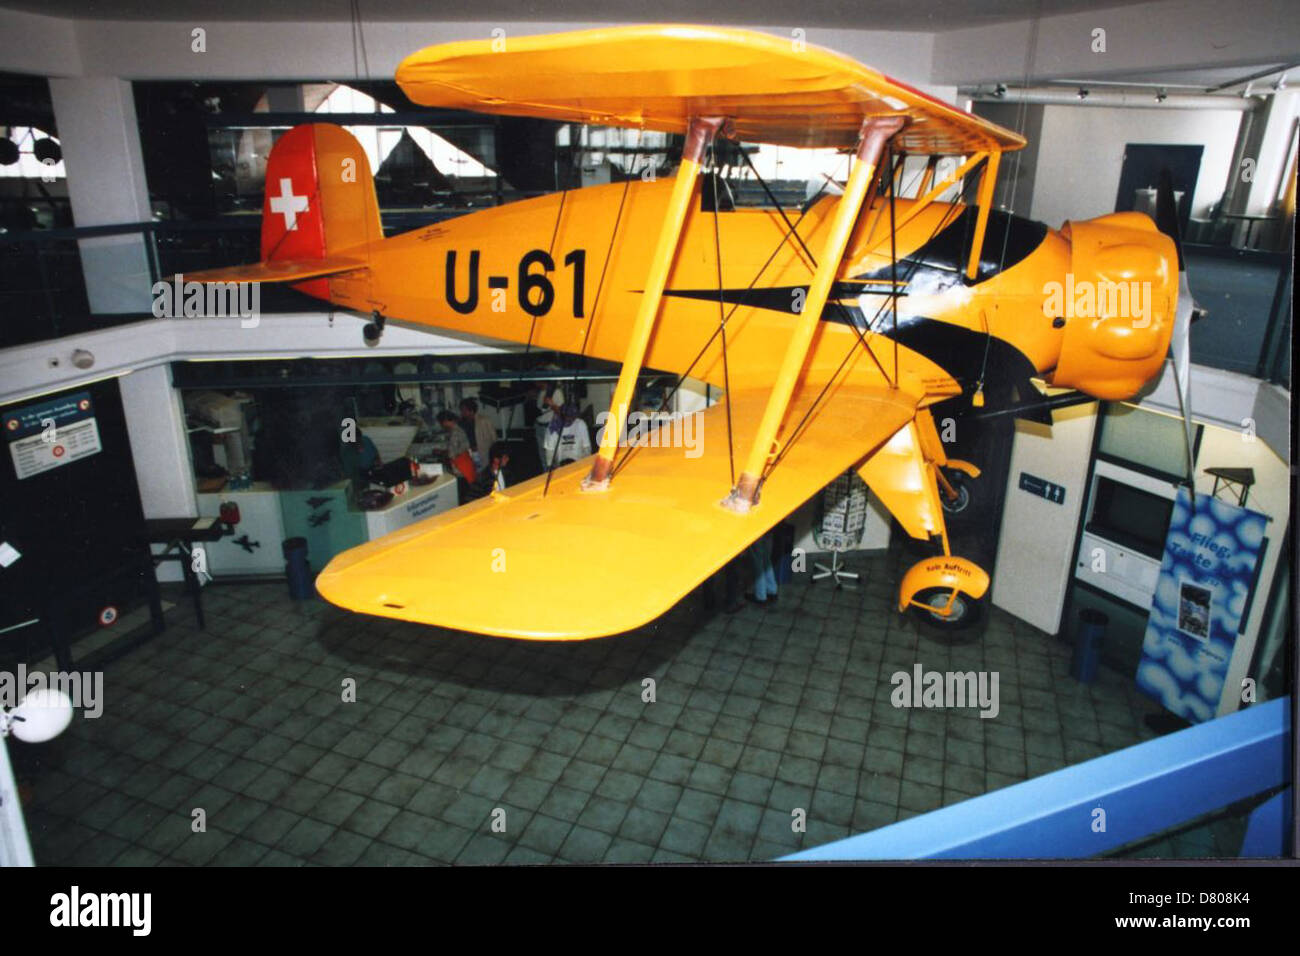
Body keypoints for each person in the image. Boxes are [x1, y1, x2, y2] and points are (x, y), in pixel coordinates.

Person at [459, 397, 497, 468]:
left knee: (483, 471)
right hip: (468, 453)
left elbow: (494, 438)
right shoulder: (461, 423)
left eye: (464, 410)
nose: (462, 412)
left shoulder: (484, 420)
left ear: (471, 410)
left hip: (483, 453)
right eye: (461, 410)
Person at [437, 410, 474, 481]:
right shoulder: (458, 430)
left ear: (445, 421)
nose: (442, 426)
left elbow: (451, 454)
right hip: (465, 465)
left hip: (461, 468)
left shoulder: (455, 433)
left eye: (441, 423)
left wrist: (441, 453)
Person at [746, 530, 779, 606]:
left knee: (758, 564)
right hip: (768, 530)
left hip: (755, 531)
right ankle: (772, 591)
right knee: (767, 561)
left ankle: (761, 596)